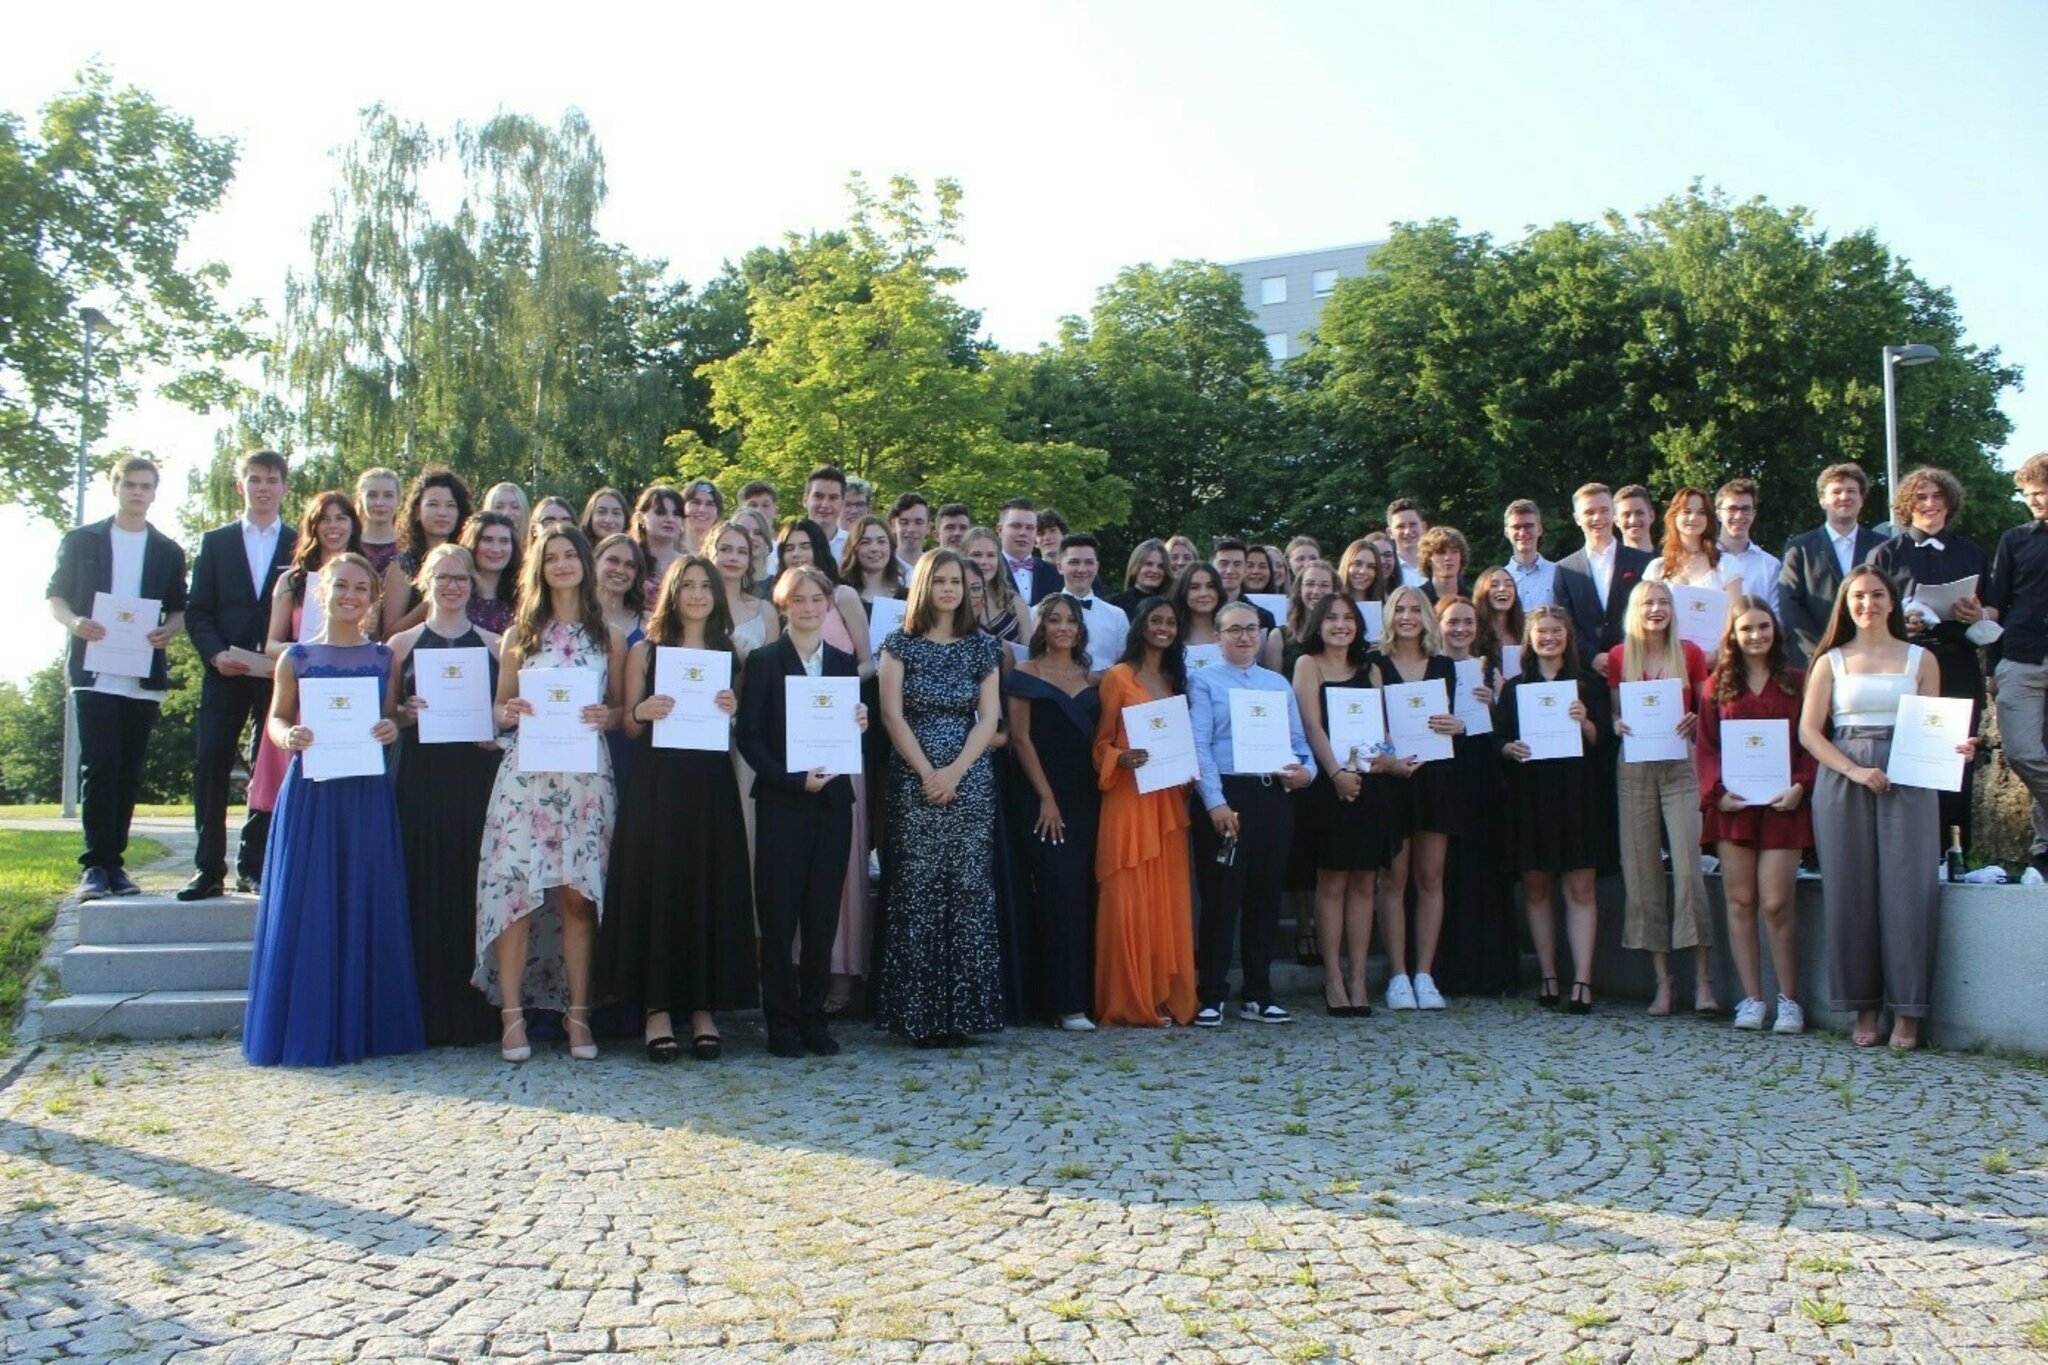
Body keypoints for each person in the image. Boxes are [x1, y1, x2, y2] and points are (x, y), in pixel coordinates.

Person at [242, 553, 423, 1066]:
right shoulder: (296, 656)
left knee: (363, 895)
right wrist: (287, 734)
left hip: (365, 789)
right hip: (313, 790)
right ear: (324, 593)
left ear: (373, 598)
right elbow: (276, 718)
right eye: (341, 586)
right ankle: (309, 1023)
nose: (350, 596)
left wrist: (396, 725)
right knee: (312, 902)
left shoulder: (383, 658)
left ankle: (365, 1026)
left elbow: (391, 717)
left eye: (361, 588)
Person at [1798, 568, 1966, 1050]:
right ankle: (1864, 1006)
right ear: (1846, 605)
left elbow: (1934, 723)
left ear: (1892, 603)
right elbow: (1810, 732)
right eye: (1857, 597)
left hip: (1908, 774)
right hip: (1844, 774)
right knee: (1851, 891)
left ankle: (1908, 1011)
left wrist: (1956, 746)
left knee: (1909, 891)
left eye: (1876, 595)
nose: (1867, 603)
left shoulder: (1921, 658)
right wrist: (1852, 771)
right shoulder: (1830, 661)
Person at [474, 525, 625, 1063]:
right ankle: (511, 1017)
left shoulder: (609, 634)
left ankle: (578, 1015)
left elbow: (625, 714)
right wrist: (507, 712)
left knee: (579, 898)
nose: (562, 564)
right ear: (538, 566)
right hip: (526, 779)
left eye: (570, 556)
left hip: (585, 778)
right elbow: (498, 707)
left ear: (585, 563)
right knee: (516, 896)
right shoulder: (520, 635)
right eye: (551, 557)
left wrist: (609, 714)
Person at [600, 556, 755, 1062]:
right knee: (659, 886)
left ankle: (703, 1008)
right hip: (657, 785)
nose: (695, 593)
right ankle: (657, 1010)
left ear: (716, 594)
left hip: (710, 785)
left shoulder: (730, 653)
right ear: (671, 592)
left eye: (704, 585)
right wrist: (642, 711)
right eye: (685, 585)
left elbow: (742, 731)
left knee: (706, 885)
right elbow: (627, 724)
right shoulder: (645, 651)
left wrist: (734, 712)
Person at [737, 566, 870, 1058]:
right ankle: (782, 1023)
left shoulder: (841, 662)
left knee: (820, 919)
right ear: (784, 604)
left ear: (830, 604)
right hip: (783, 805)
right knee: (778, 918)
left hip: (833, 806)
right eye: (799, 600)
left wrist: (860, 719)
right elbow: (748, 737)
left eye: (818, 599)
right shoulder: (766, 661)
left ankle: (814, 1019)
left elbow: (852, 731)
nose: (809, 608)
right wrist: (793, 780)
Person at [875, 550, 1007, 1045]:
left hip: (970, 781)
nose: (950, 590)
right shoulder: (898, 644)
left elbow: (989, 719)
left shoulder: (982, 647)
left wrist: (954, 772)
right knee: (918, 890)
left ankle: (964, 1016)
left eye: (958, 582)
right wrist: (929, 772)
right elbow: (892, 716)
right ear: (923, 587)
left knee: (969, 890)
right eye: (941, 581)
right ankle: (918, 1017)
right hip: (914, 780)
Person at [45, 455, 188, 901]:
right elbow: (55, 596)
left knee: (127, 772)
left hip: (142, 675)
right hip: (94, 671)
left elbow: (180, 608)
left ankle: (117, 866)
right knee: (99, 767)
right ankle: (94, 866)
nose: (137, 492)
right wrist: (74, 624)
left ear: (154, 492)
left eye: (146, 486)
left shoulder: (167, 550)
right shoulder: (82, 540)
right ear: (115, 487)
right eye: (129, 484)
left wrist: (170, 630)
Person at [388, 544, 504, 1047]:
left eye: (462, 578)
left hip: (476, 779)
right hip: (423, 779)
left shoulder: (497, 645)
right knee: (425, 883)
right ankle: (427, 1014)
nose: (453, 586)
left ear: (474, 584)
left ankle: (475, 1014)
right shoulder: (399, 644)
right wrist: (403, 713)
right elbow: (387, 715)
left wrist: (495, 731)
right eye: (443, 577)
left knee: (471, 887)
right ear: (426, 582)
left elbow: (507, 715)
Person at [1188, 601, 1315, 1026]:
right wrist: (1215, 802)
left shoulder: (1277, 684)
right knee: (1222, 899)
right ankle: (1211, 993)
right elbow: (1200, 745)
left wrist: (1307, 773)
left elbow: (1300, 744)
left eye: (1252, 629)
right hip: (1229, 796)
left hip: (1273, 794)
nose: (1244, 637)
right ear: (1217, 636)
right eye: (1234, 630)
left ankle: (1259, 993)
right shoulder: (1202, 682)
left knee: (1264, 896)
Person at [182, 449, 299, 901]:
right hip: (225, 672)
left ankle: (254, 865)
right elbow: (197, 611)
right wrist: (214, 655)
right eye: (255, 479)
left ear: (285, 487)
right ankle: (207, 867)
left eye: (272, 479)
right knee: (210, 761)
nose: (264, 487)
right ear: (241, 485)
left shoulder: (296, 543)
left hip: (275, 676)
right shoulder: (216, 542)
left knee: (267, 770)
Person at [1696, 597, 1813, 1034]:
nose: (1756, 636)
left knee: (1777, 903)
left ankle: (1790, 1000)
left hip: (1784, 806)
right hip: (1735, 808)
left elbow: (1809, 741)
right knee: (1740, 902)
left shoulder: (1797, 682)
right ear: (1733, 635)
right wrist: (1716, 793)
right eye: (1747, 629)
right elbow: (1706, 748)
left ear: (1775, 631)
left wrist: (1801, 783)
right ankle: (1752, 999)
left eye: (1764, 627)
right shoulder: (1717, 686)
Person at [1292, 593, 1406, 1015]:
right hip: (1329, 786)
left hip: (1371, 784)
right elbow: (1309, 725)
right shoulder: (1308, 664)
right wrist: (1336, 775)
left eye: (1348, 618)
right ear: (1318, 624)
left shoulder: (1371, 669)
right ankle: (1333, 977)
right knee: (1333, 882)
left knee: (1364, 883)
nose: (1340, 625)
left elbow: (1380, 728)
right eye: (1331, 618)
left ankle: (1358, 978)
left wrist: (1390, 757)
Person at [778, 516, 876, 1005]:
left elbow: (868, 660)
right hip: (792, 754)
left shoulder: (844, 597)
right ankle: (797, 975)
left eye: (804, 546)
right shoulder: (787, 606)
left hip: (837, 737)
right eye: (789, 549)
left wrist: (835, 696)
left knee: (842, 865)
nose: (798, 555)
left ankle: (840, 975)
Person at [1607, 580, 1716, 1017]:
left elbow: (1705, 711)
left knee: (1689, 870)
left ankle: (1703, 981)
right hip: (1634, 766)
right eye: (1648, 602)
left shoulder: (1688, 653)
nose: (1656, 609)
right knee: (1641, 870)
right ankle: (1662, 982)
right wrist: (1616, 723)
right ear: (1636, 609)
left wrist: (1695, 720)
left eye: (1663, 602)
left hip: (1680, 765)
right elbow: (1617, 711)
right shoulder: (1619, 656)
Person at [1869, 466, 1990, 858]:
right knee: (1909, 758)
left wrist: (1977, 614)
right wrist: (1900, 621)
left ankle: (1955, 853)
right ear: (1907, 504)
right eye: (1921, 498)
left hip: (1958, 665)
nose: (1931, 504)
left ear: (1949, 503)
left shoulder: (1969, 551)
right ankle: (1909, 852)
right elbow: (1868, 610)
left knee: (1957, 759)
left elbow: (1991, 606)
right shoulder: (1887, 552)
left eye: (1938, 497)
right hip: (1908, 666)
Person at [1497, 604, 1612, 1013]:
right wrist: (1508, 749)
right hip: (1532, 795)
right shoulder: (1513, 688)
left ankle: (1582, 978)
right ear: (1530, 638)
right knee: (1537, 886)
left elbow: (1605, 744)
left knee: (1581, 888)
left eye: (1556, 631)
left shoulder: (1588, 685)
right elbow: (1501, 740)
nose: (1549, 637)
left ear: (1568, 636)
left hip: (1578, 793)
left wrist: (1586, 724)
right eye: (1541, 631)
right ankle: (1548, 975)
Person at [1093, 596, 1198, 1027]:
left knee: (1166, 902)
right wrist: (1121, 757)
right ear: (1141, 625)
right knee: (1127, 898)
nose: (1163, 628)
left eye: (1171, 622)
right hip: (1128, 799)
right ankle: (1129, 999)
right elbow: (1100, 743)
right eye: (1155, 620)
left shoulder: (1176, 678)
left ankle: (1164, 996)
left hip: (1167, 799)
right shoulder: (1119, 677)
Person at [1005, 595, 1103, 1030]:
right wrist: (1046, 797)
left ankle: (1086, 994)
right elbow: (1020, 740)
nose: (1063, 627)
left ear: (1080, 629)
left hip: (1090, 797)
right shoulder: (1023, 674)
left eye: (1071, 621)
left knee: (1085, 894)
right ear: (1041, 626)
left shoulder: (1095, 679)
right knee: (1058, 892)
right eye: (1054, 620)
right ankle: (1064, 1003)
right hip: (1041, 796)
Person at [1369, 585, 1468, 1011]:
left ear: (1426, 616)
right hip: (1394, 779)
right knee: (1394, 879)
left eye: (1415, 609)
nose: (1407, 616)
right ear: (1389, 616)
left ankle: (1424, 974)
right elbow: (1371, 722)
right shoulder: (1374, 663)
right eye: (1399, 609)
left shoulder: (1444, 664)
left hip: (1436, 777)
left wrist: (1456, 725)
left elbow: (1461, 722)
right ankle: (1397, 975)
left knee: (1431, 878)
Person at [254, 492, 366, 853]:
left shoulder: (364, 577)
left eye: (341, 518)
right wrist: (311, 654)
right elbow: (271, 644)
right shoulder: (291, 580)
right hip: (305, 688)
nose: (333, 526)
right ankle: (258, 857)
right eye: (325, 519)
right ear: (313, 526)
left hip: (351, 692)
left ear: (353, 525)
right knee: (290, 781)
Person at [1431, 595, 1522, 996]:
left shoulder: (1490, 671)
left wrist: (1496, 702)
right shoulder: (1429, 668)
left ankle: (1491, 970)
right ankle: (1450, 969)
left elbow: (1503, 730)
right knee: (1447, 873)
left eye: (1468, 622)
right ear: (1439, 624)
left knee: (1485, 871)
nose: (1461, 629)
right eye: (1452, 622)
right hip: (1444, 775)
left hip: (1483, 779)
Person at [1986, 452, 2048, 884]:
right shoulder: (2014, 539)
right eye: (2028, 495)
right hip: (2020, 656)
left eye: (2041, 493)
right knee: (2024, 753)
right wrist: (1992, 666)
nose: (2034, 501)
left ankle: (2043, 851)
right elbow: (1996, 605)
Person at [1778, 463, 1884, 667]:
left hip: (1872, 658)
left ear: (1862, 499)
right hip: (1815, 660)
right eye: (1836, 492)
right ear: (1822, 500)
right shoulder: (1799, 549)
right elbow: (1791, 606)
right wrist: (1821, 655)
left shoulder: (1882, 547)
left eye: (1851, 491)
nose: (1844, 497)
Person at [1555, 482, 1653, 676]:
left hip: (1637, 666)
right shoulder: (1565, 569)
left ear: (1613, 514)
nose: (1597, 517)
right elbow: (1565, 622)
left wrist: (1628, 653)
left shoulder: (1642, 562)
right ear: (1577, 518)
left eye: (1604, 510)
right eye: (1589, 512)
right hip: (1587, 674)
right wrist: (1592, 657)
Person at [383, 464, 472, 637]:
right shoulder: (403, 565)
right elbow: (390, 633)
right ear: (417, 511)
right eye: (433, 505)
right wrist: (433, 599)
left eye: (450, 505)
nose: (442, 513)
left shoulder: (468, 560)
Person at [1043, 533, 1129, 664]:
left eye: (1089, 562)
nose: (1082, 569)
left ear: (1097, 567)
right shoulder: (1039, 613)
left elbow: (1124, 665)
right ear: (1060, 567)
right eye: (1074, 562)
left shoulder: (1117, 617)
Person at [1646, 487, 1745, 598]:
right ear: (1674, 516)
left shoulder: (1727, 564)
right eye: (1687, 512)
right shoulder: (1657, 568)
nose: (1693, 518)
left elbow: (1735, 613)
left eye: (1701, 512)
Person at [1713, 479, 1782, 615]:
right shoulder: (1701, 559)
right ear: (1719, 514)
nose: (1739, 516)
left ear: (1754, 514)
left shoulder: (1770, 566)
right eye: (1732, 509)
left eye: (1745, 509)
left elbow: (1776, 618)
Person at [1262, 560, 1335, 675]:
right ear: (1300, 590)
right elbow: (1273, 686)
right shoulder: (1278, 637)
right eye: (1310, 584)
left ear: (1334, 591)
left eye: (1324, 585)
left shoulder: (1342, 635)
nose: (1316, 591)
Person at [460, 511, 521, 635]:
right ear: (472, 543)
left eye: (504, 541)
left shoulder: (524, 596)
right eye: (487, 540)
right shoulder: (452, 591)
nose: (496, 549)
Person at [963, 525, 1025, 643]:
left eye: (991, 555)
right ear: (964, 557)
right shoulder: (953, 603)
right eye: (976, 555)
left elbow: (1029, 654)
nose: (984, 561)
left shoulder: (1016, 603)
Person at [998, 498, 1062, 605]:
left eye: (1030, 528)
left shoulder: (1054, 573)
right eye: (1016, 526)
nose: (1023, 533)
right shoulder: (987, 570)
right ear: (1000, 530)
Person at [1501, 499, 1557, 609]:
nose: (1522, 533)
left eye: (1528, 526)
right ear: (1506, 532)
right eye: (1516, 527)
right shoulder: (1499, 581)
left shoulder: (1557, 573)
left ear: (1540, 529)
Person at [841, 514, 908, 605]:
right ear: (854, 548)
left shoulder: (906, 597)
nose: (874, 548)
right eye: (866, 542)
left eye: (881, 541)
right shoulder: (840, 595)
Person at [632, 484, 687, 593]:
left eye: (676, 514)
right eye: (660, 512)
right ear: (641, 518)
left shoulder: (688, 565)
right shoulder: (629, 560)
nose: (670, 519)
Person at [354, 467, 404, 579]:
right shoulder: (349, 544)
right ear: (360, 499)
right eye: (372, 495)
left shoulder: (408, 546)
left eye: (388, 495)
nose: (380, 502)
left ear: (399, 499)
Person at [1172, 561, 1226, 662]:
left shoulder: (1232, 629)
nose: (1203, 593)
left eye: (1210, 586)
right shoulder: (1172, 632)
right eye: (1194, 587)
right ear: (1183, 592)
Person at [1473, 567, 1525, 669]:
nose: (1502, 588)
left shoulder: (1526, 630)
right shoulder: (1474, 634)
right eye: (1494, 585)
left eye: (1509, 584)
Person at [1110, 539, 1171, 619]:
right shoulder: (1112, 605)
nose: (1154, 570)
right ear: (1135, 566)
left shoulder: (1171, 607)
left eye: (1161, 566)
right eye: (1148, 564)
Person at [803, 466, 851, 561]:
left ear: (842, 504)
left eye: (833, 498)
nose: (825, 504)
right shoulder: (789, 546)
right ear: (805, 500)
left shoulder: (853, 545)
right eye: (818, 496)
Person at [1418, 527, 1470, 605]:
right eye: (1440, 552)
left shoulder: (1472, 600)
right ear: (1428, 558)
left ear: (1461, 557)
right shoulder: (1417, 599)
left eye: (1454, 551)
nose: (1448, 557)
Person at [1386, 498, 1429, 588]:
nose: (1407, 531)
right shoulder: (1386, 569)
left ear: (1423, 527)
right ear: (1390, 533)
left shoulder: (1437, 565)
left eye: (1413, 524)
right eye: (1400, 526)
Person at [679, 479, 723, 557]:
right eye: (696, 502)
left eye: (710, 504)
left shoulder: (723, 550)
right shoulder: (669, 545)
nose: (702, 510)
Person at [890, 492, 931, 576]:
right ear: (893, 525)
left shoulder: (936, 568)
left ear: (928, 527)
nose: (911, 529)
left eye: (919, 522)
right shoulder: (882, 569)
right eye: (904, 522)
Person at [1615, 485, 1659, 556]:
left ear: (1651, 516)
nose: (1633, 520)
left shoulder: (1667, 563)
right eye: (1626, 515)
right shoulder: (1609, 564)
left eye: (1640, 513)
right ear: (1616, 521)